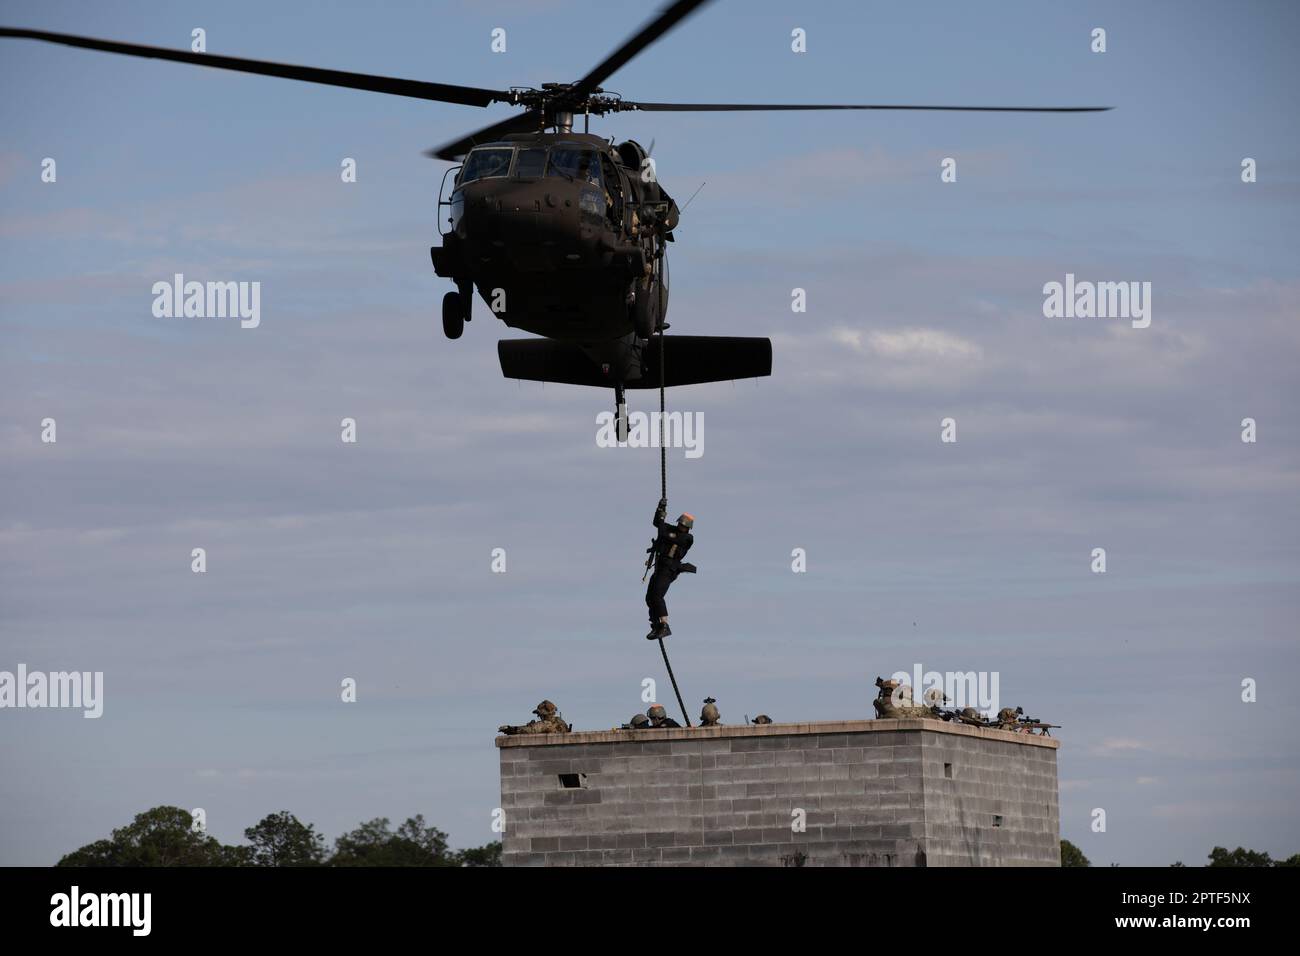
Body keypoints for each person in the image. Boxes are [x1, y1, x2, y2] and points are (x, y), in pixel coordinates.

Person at [644, 497, 695, 639]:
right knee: (649, 598)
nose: (681, 527)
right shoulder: (672, 530)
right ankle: (656, 624)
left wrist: (662, 523)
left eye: (684, 526)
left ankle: (665, 625)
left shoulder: (687, 538)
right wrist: (660, 509)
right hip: (659, 568)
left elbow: (664, 533)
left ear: (688, 528)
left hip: (669, 570)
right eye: (680, 524)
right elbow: (657, 523)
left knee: (657, 596)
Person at [498, 699, 571, 736]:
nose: (538, 716)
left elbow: (530, 730)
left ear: (544, 714)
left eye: (539, 714)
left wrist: (511, 729)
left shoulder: (546, 724)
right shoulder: (560, 721)